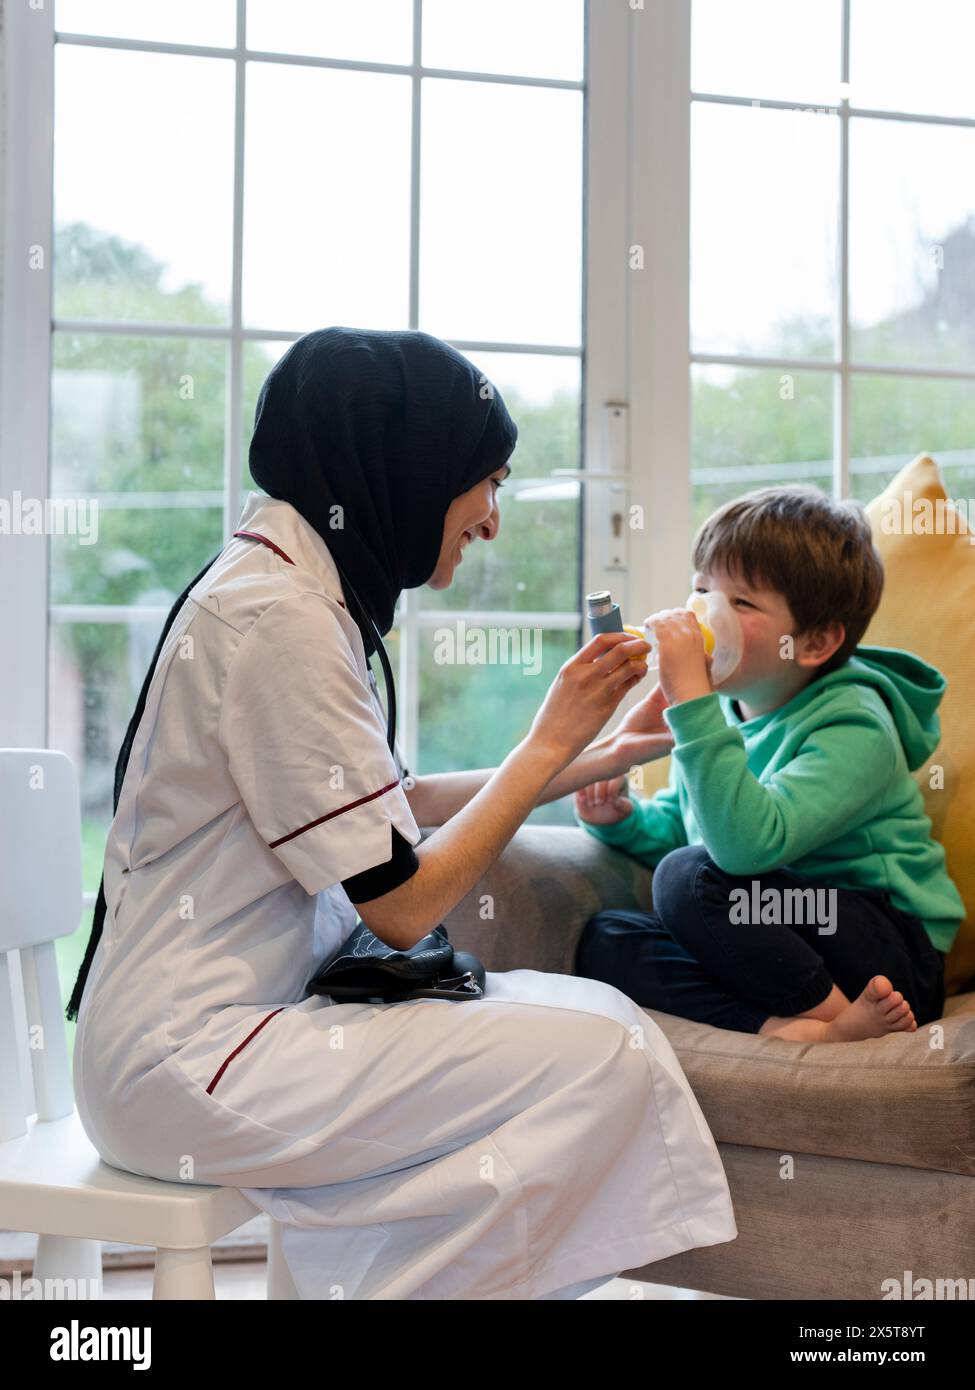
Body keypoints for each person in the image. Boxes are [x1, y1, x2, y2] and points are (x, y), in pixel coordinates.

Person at [67, 326, 737, 1301]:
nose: (494, 519)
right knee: (604, 1056)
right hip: (192, 1063)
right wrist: (547, 742)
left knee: (601, 1030)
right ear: (412, 466)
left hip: (225, 1035)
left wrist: (591, 755)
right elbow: (402, 902)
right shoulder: (278, 621)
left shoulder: (292, 588)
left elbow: (392, 811)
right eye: (488, 482)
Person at [574, 485, 963, 1044]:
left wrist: (691, 703)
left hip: (886, 953)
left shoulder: (855, 725)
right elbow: (695, 829)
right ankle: (802, 1027)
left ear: (814, 642)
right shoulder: (723, 714)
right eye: (703, 588)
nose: (706, 612)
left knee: (689, 878)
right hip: (782, 939)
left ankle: (838, 1014)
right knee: (606, 938)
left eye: (742, 602)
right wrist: (621, 819)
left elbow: (741, 849)